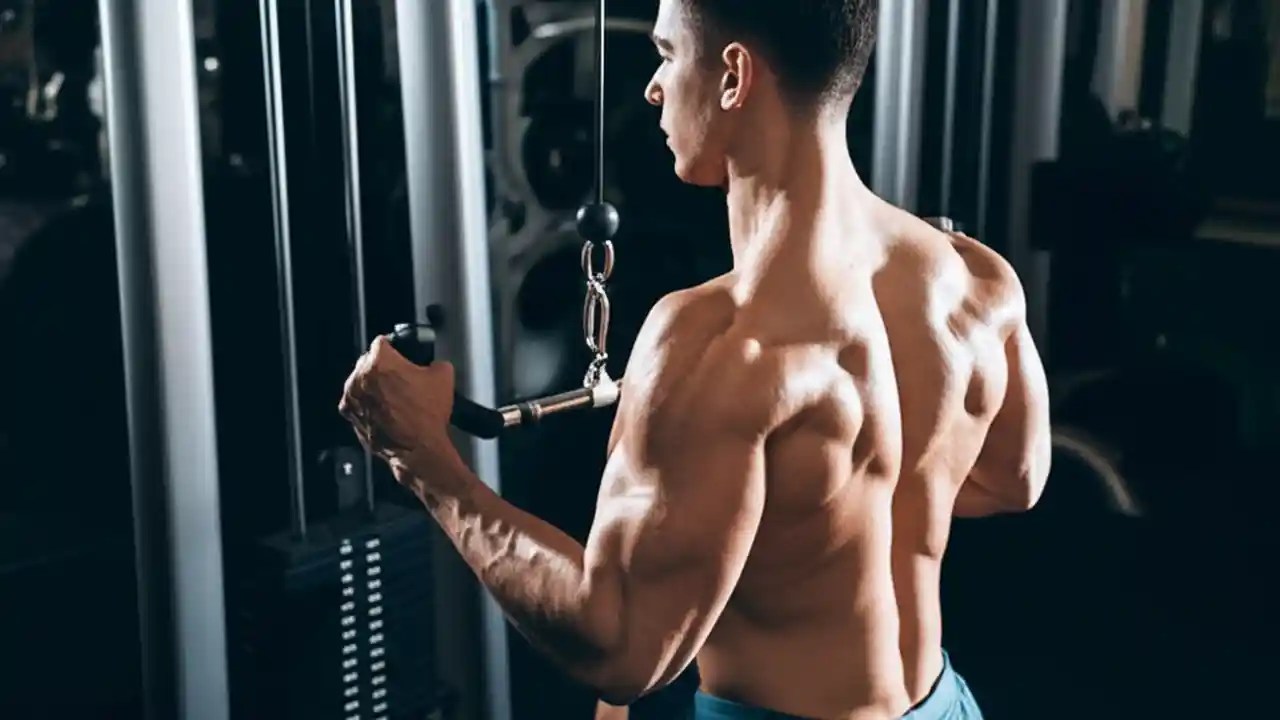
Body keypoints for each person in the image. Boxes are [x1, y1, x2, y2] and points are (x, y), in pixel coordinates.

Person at [339, 1, 1051, 718]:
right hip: (944, 705)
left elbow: (620, 651)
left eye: (667, 54)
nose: (652, 87)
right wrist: (810, 523)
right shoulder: (973, 278)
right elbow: (1014, 478)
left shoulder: (721, 341)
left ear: (734, 76)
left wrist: (423, 459)